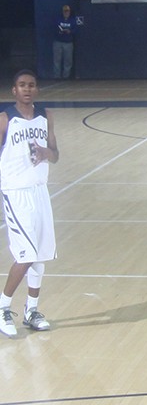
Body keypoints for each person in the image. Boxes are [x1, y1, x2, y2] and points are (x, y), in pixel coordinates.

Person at [0, 71, 59, 336]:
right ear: (14, 90)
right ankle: (3, 308)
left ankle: (31, 310)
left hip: (39, 191)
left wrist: (48, 153)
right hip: (15, 192)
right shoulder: (4, 119)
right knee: (25, 255)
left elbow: (55, 155)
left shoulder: (46, 117)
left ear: (36, 89)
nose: (27, 89)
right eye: (22, 85)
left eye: (31, 85)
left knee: (40, 255)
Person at [52, 5, 76, 80]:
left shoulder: (72, 20)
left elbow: (76, 30)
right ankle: (57, 76)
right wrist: (59, 31)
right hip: (58, 41)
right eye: (65, 11)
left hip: (68, 42)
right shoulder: (58, 19)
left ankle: (66, 76)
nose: (66, 12)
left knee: (68, 60)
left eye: (67, 11)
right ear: (62, 12)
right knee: (57, 59)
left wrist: (70, 31)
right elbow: (53, 28)